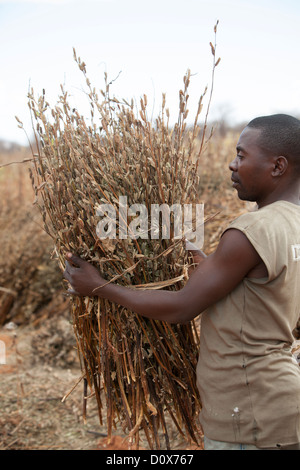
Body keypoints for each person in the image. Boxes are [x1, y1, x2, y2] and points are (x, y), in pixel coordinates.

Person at [63, 114, 300, 450]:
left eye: (242, 156)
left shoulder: (251, 230)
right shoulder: (293, 223)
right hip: (282, 405)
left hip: (247, 413)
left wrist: (99, 286)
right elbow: (262, 290)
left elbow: (181, 308)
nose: (232, 165)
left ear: (277, 166)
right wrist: (201, 259)